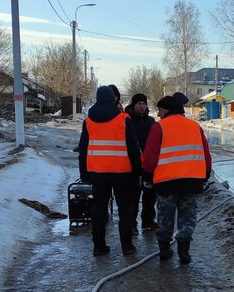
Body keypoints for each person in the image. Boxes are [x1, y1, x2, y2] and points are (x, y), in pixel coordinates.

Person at [142, 91, 211, 264]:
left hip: (166, 183)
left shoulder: (159, 127)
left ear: (166, 110)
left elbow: (150, 157)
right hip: (192, 182)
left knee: (165, 217)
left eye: (159, 110)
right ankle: (184, 253)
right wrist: (205, 174)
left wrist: (148, 177)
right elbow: (206, 154)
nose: (157, 114)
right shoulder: (195, 126)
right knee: (187, 218)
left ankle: (164, 251)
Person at [78, 85, 142, 257]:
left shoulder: (88, 122)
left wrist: (84, 173)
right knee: (125, 210)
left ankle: (99, 247)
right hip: (122, 173)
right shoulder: (123, 119)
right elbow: (133, 148)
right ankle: (127, 246)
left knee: (98, 209)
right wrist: (137, 171)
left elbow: (83, 149)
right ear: (114, 100)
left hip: (97, 174)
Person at [125, 93, 157, 233]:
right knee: (132, 196)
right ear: (133, 105)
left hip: (149, 164)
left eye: (144, 104)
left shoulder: (151, 121)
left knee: (150, 195)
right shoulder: (127, 120)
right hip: (132, 164)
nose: (142, 106)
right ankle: (131, 224)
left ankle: (148, 221)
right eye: (139, 104)